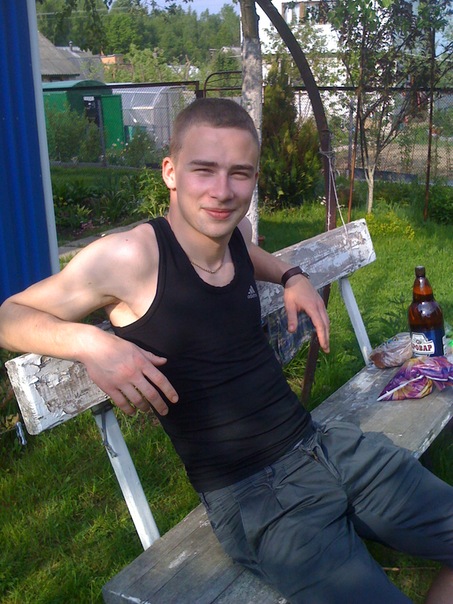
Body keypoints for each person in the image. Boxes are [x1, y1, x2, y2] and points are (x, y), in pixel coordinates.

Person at [0, 98, 452, 603]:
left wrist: (291, 275)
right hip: (261, 500)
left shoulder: (233, 234)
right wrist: (89, 341)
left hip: (325, 445)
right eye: (204, 170)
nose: (222, 190)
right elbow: (8, 315)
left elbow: (248, 251)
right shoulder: (129, 258)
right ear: (170, 172)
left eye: (240, 173)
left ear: (254, 178)